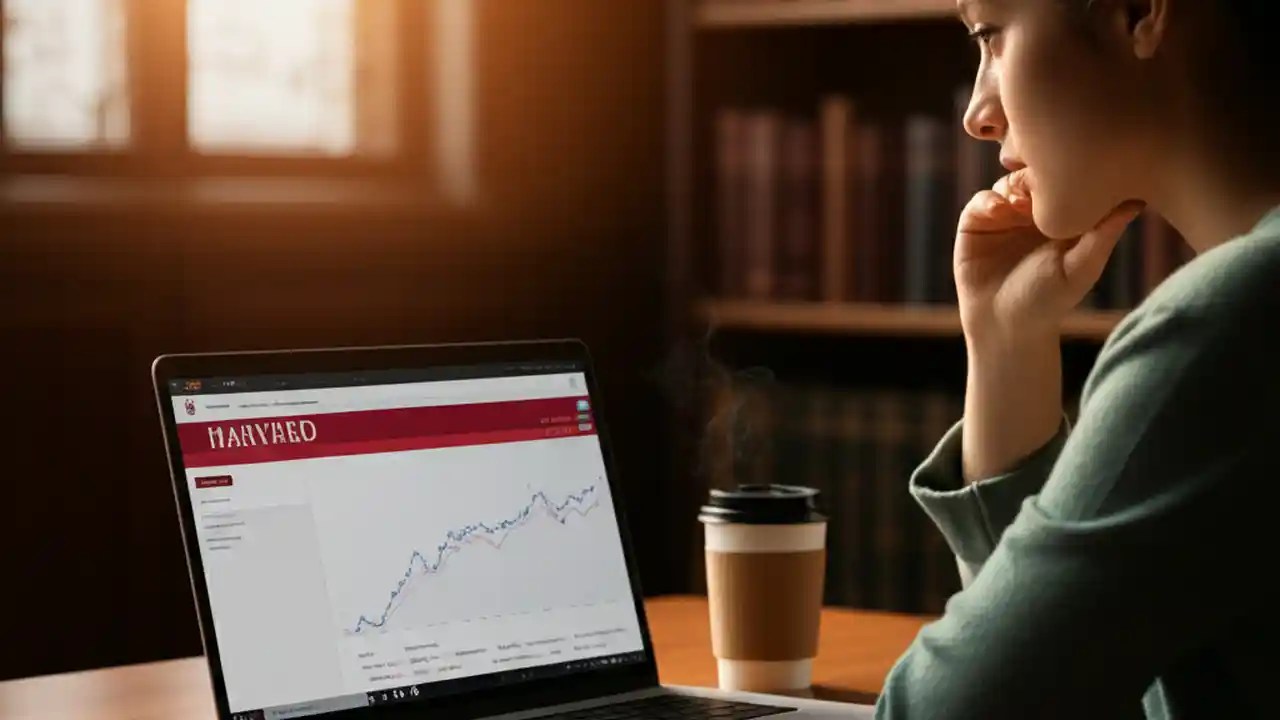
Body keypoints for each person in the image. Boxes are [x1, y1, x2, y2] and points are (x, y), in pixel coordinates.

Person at [873, 0, 1280, 717]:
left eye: (990, 35)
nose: (977, 114)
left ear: (1138, 11)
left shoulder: (1231, 326)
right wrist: (1006, 348)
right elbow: (1059, 683)